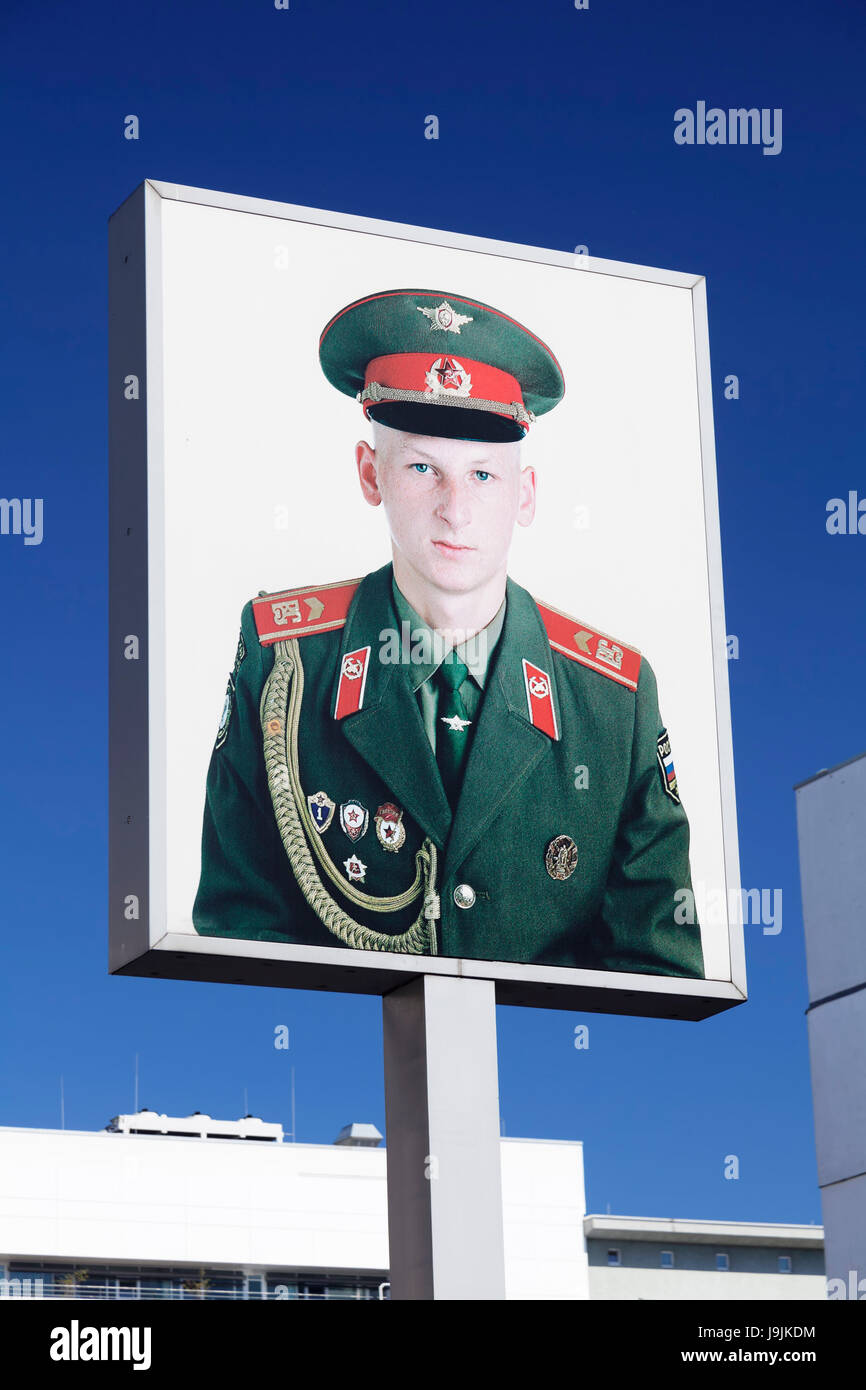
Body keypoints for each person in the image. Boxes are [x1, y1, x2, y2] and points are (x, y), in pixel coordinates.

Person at [192, 288, 704, 976]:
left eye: (484, 474)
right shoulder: (285, 661)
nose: (455, 511)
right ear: (371, 475)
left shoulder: (616, 701)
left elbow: (657, 981)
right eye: (422, 468)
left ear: (525, 496)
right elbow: (241, 945)